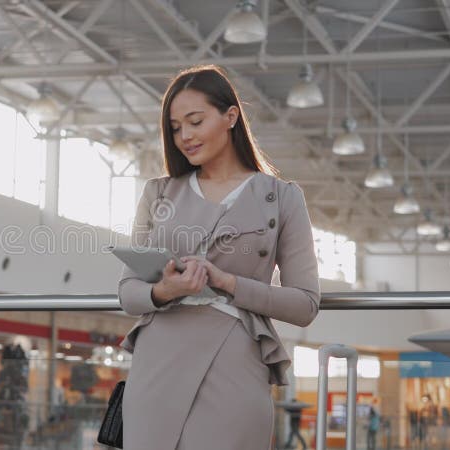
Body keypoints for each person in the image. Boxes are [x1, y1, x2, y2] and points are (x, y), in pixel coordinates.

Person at [118, 65, 321, 450]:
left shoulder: (282, 197)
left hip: (234, 358)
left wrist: (229, 284)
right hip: (157, 361)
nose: (185, 137)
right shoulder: (158, 194)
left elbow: (305, 304)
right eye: (176, 128)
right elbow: (128, 291)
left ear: (231, 117)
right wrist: (165, 290)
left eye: (195, 121)